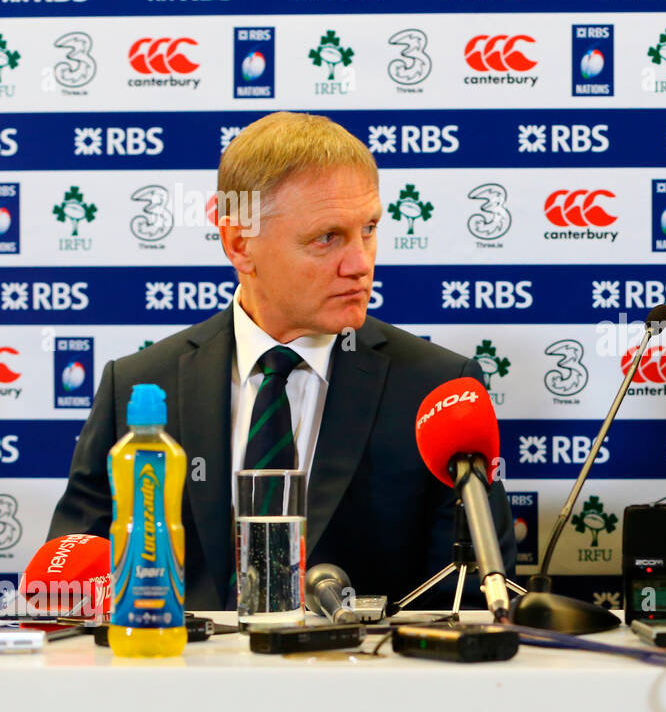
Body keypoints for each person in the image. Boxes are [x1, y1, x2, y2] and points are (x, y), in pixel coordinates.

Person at [47, 111, 516, 610]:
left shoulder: (437, 390)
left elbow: (472, 604)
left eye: (369, 229)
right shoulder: (140, 385)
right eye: (327, 238)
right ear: (239, 244)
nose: (360, 263)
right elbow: (69, 583)